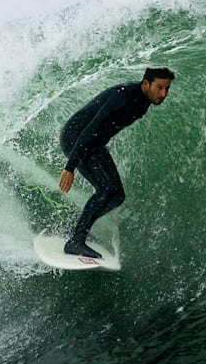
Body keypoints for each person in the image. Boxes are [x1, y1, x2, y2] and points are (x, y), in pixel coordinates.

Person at [58, 67, 175, 258]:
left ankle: (72, 225)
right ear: (146, 84)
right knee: (106, 190)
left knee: (117, 195)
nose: (163, 94)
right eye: (160, 87)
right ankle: (75, 241)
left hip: (94, 143)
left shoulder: (144, 100)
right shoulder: (123, 98)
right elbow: (91, 129)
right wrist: (69, 168)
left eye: (167, 89)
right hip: (77, 138)